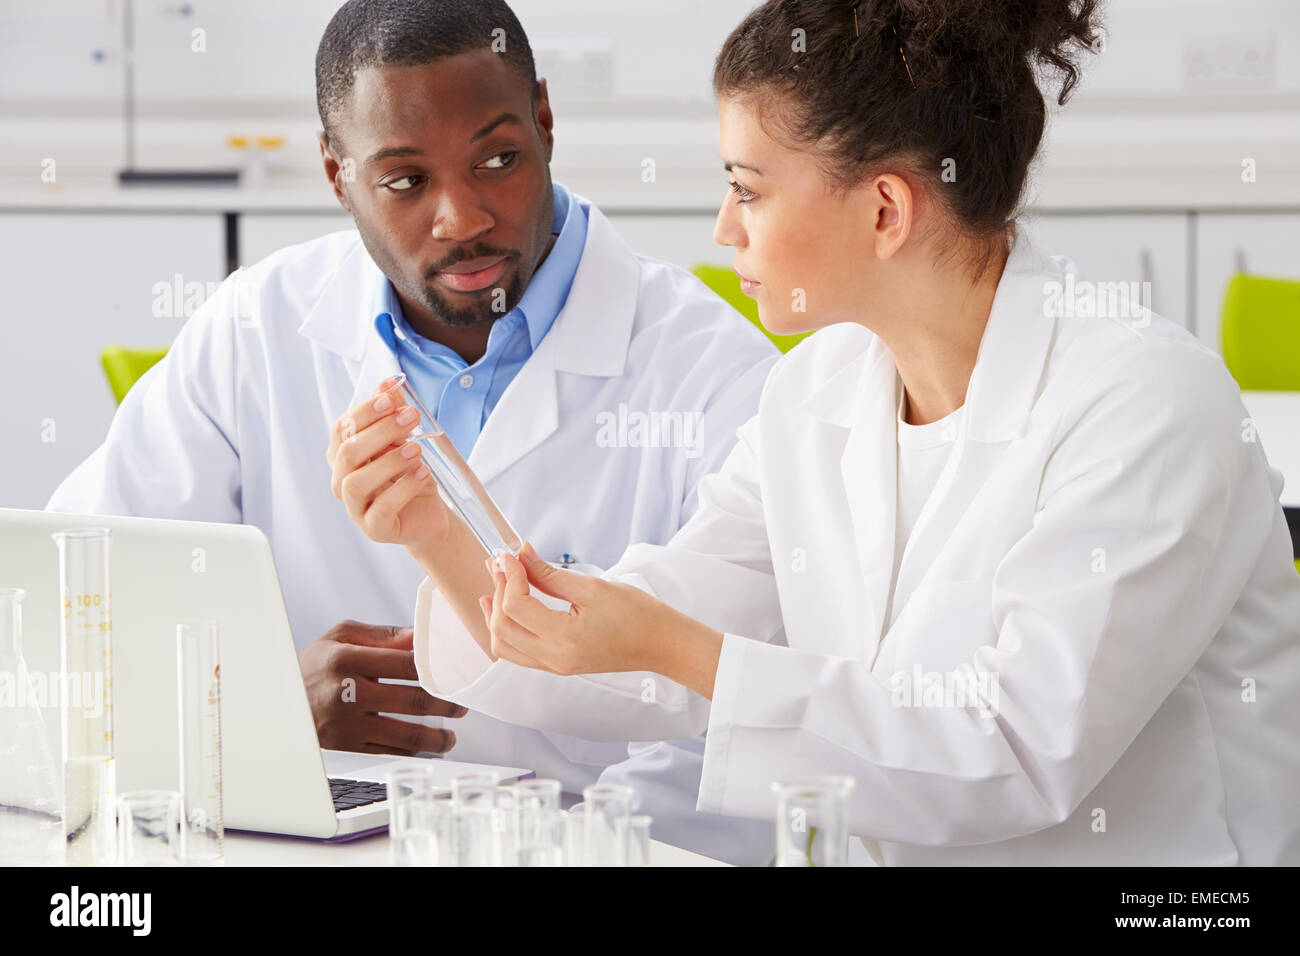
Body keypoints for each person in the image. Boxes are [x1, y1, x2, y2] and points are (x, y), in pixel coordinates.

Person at [336, 0, 1300, 865]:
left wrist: (678, 646)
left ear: (885, 210)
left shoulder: (1145, 401)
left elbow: (1013, 751)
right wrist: (443, 531)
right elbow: (649, 636)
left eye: (748, 187)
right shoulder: (819, 391)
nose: (723, 228)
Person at [47, 0, 779, 865]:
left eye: (498, 160)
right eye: (405, 181)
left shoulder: (714, 373)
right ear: (336, 172)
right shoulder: (256, 330)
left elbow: (738, 732)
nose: (461, 218)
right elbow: (79, 609)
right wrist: (259, 707)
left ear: (546, 122)